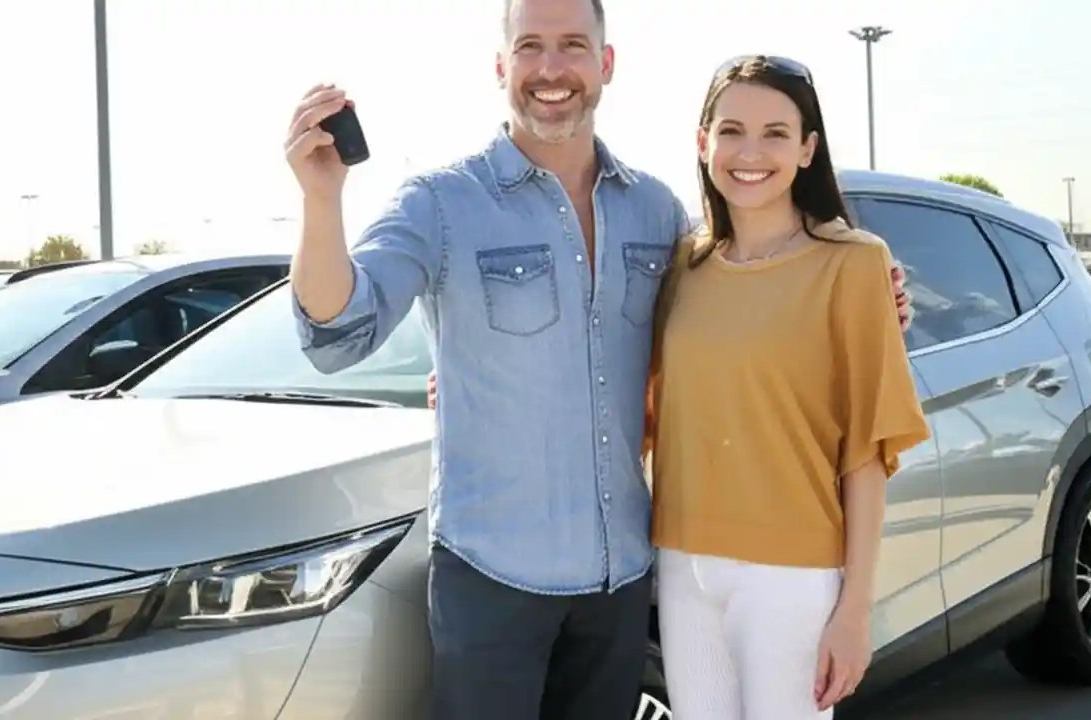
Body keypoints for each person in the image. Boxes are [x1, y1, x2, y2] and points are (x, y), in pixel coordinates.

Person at [284, 0, 910, 716]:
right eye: (531, 47)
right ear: (500, 65)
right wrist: (321, 201)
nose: (552, 69)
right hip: (493, 582)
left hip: (624, 581)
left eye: (574, 46)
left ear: (606, 64)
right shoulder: (441, 202)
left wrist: (873, 297)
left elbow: (732, 321)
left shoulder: (657, 212)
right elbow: (338, 334)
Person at [645, 56, 932, 719]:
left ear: (808, 149)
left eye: (777, 133)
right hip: (682, 567)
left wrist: (854, 611)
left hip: (792, 579)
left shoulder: (856, 265)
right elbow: (631, 395)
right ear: (703, 142)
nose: (751, 152)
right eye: (733, 130)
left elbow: (867, 453)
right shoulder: (682, 268)